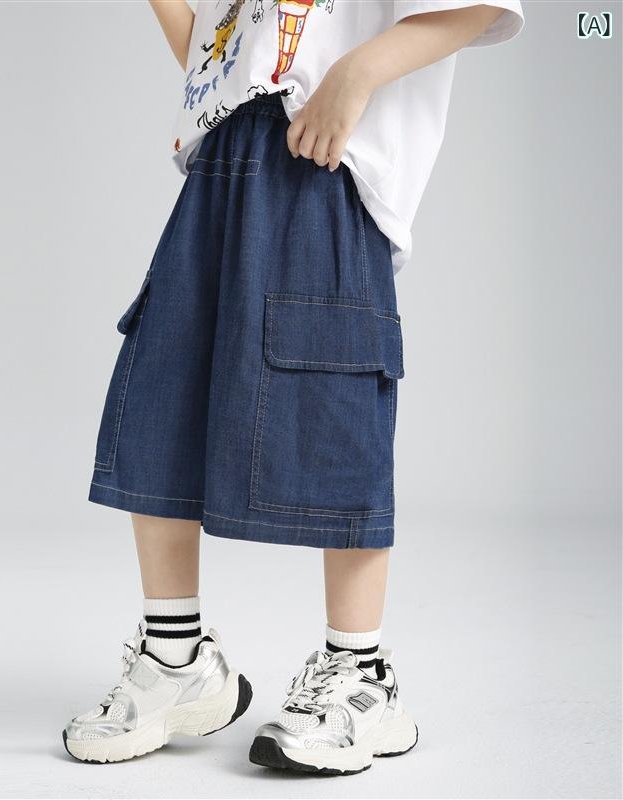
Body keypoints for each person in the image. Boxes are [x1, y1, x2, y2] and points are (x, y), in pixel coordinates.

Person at [62, 0, 524, 775]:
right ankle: (176, 659)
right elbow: (210, 60)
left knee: (336, 405)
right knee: (164, 393)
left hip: (328, 165)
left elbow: (482, 7)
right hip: (221, 164)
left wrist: (355, 74)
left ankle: (361, 674)